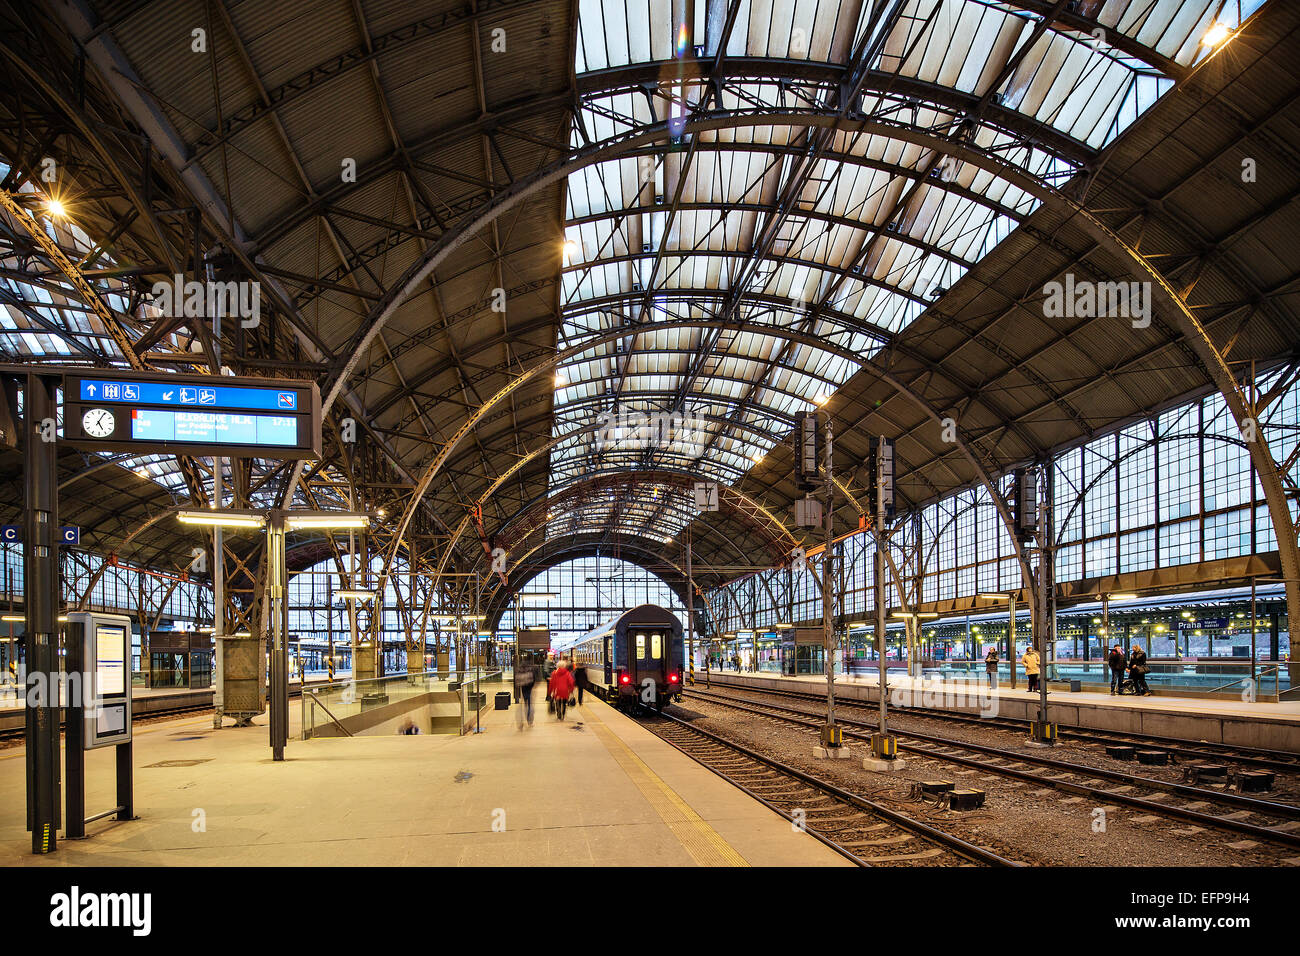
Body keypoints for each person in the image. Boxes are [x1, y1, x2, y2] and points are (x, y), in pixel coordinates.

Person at [514, 655, 538, 729]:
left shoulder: (520, 667)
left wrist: (517, 686)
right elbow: (534, 677)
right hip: (529, 686)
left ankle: (521, 721)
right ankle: (529, 720)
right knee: (530, 704)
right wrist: (533, 685)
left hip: (523, 687)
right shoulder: (531, 667)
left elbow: (516, 677)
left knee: (524, 702)